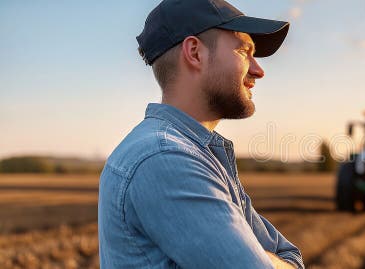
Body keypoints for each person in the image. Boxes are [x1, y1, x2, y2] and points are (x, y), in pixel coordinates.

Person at [98, 0, 303, 268]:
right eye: (244, 51)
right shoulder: (166, 159)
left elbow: (291, 255)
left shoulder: (198, 153)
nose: (258, 70)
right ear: (195, 53)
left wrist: (262, 257)